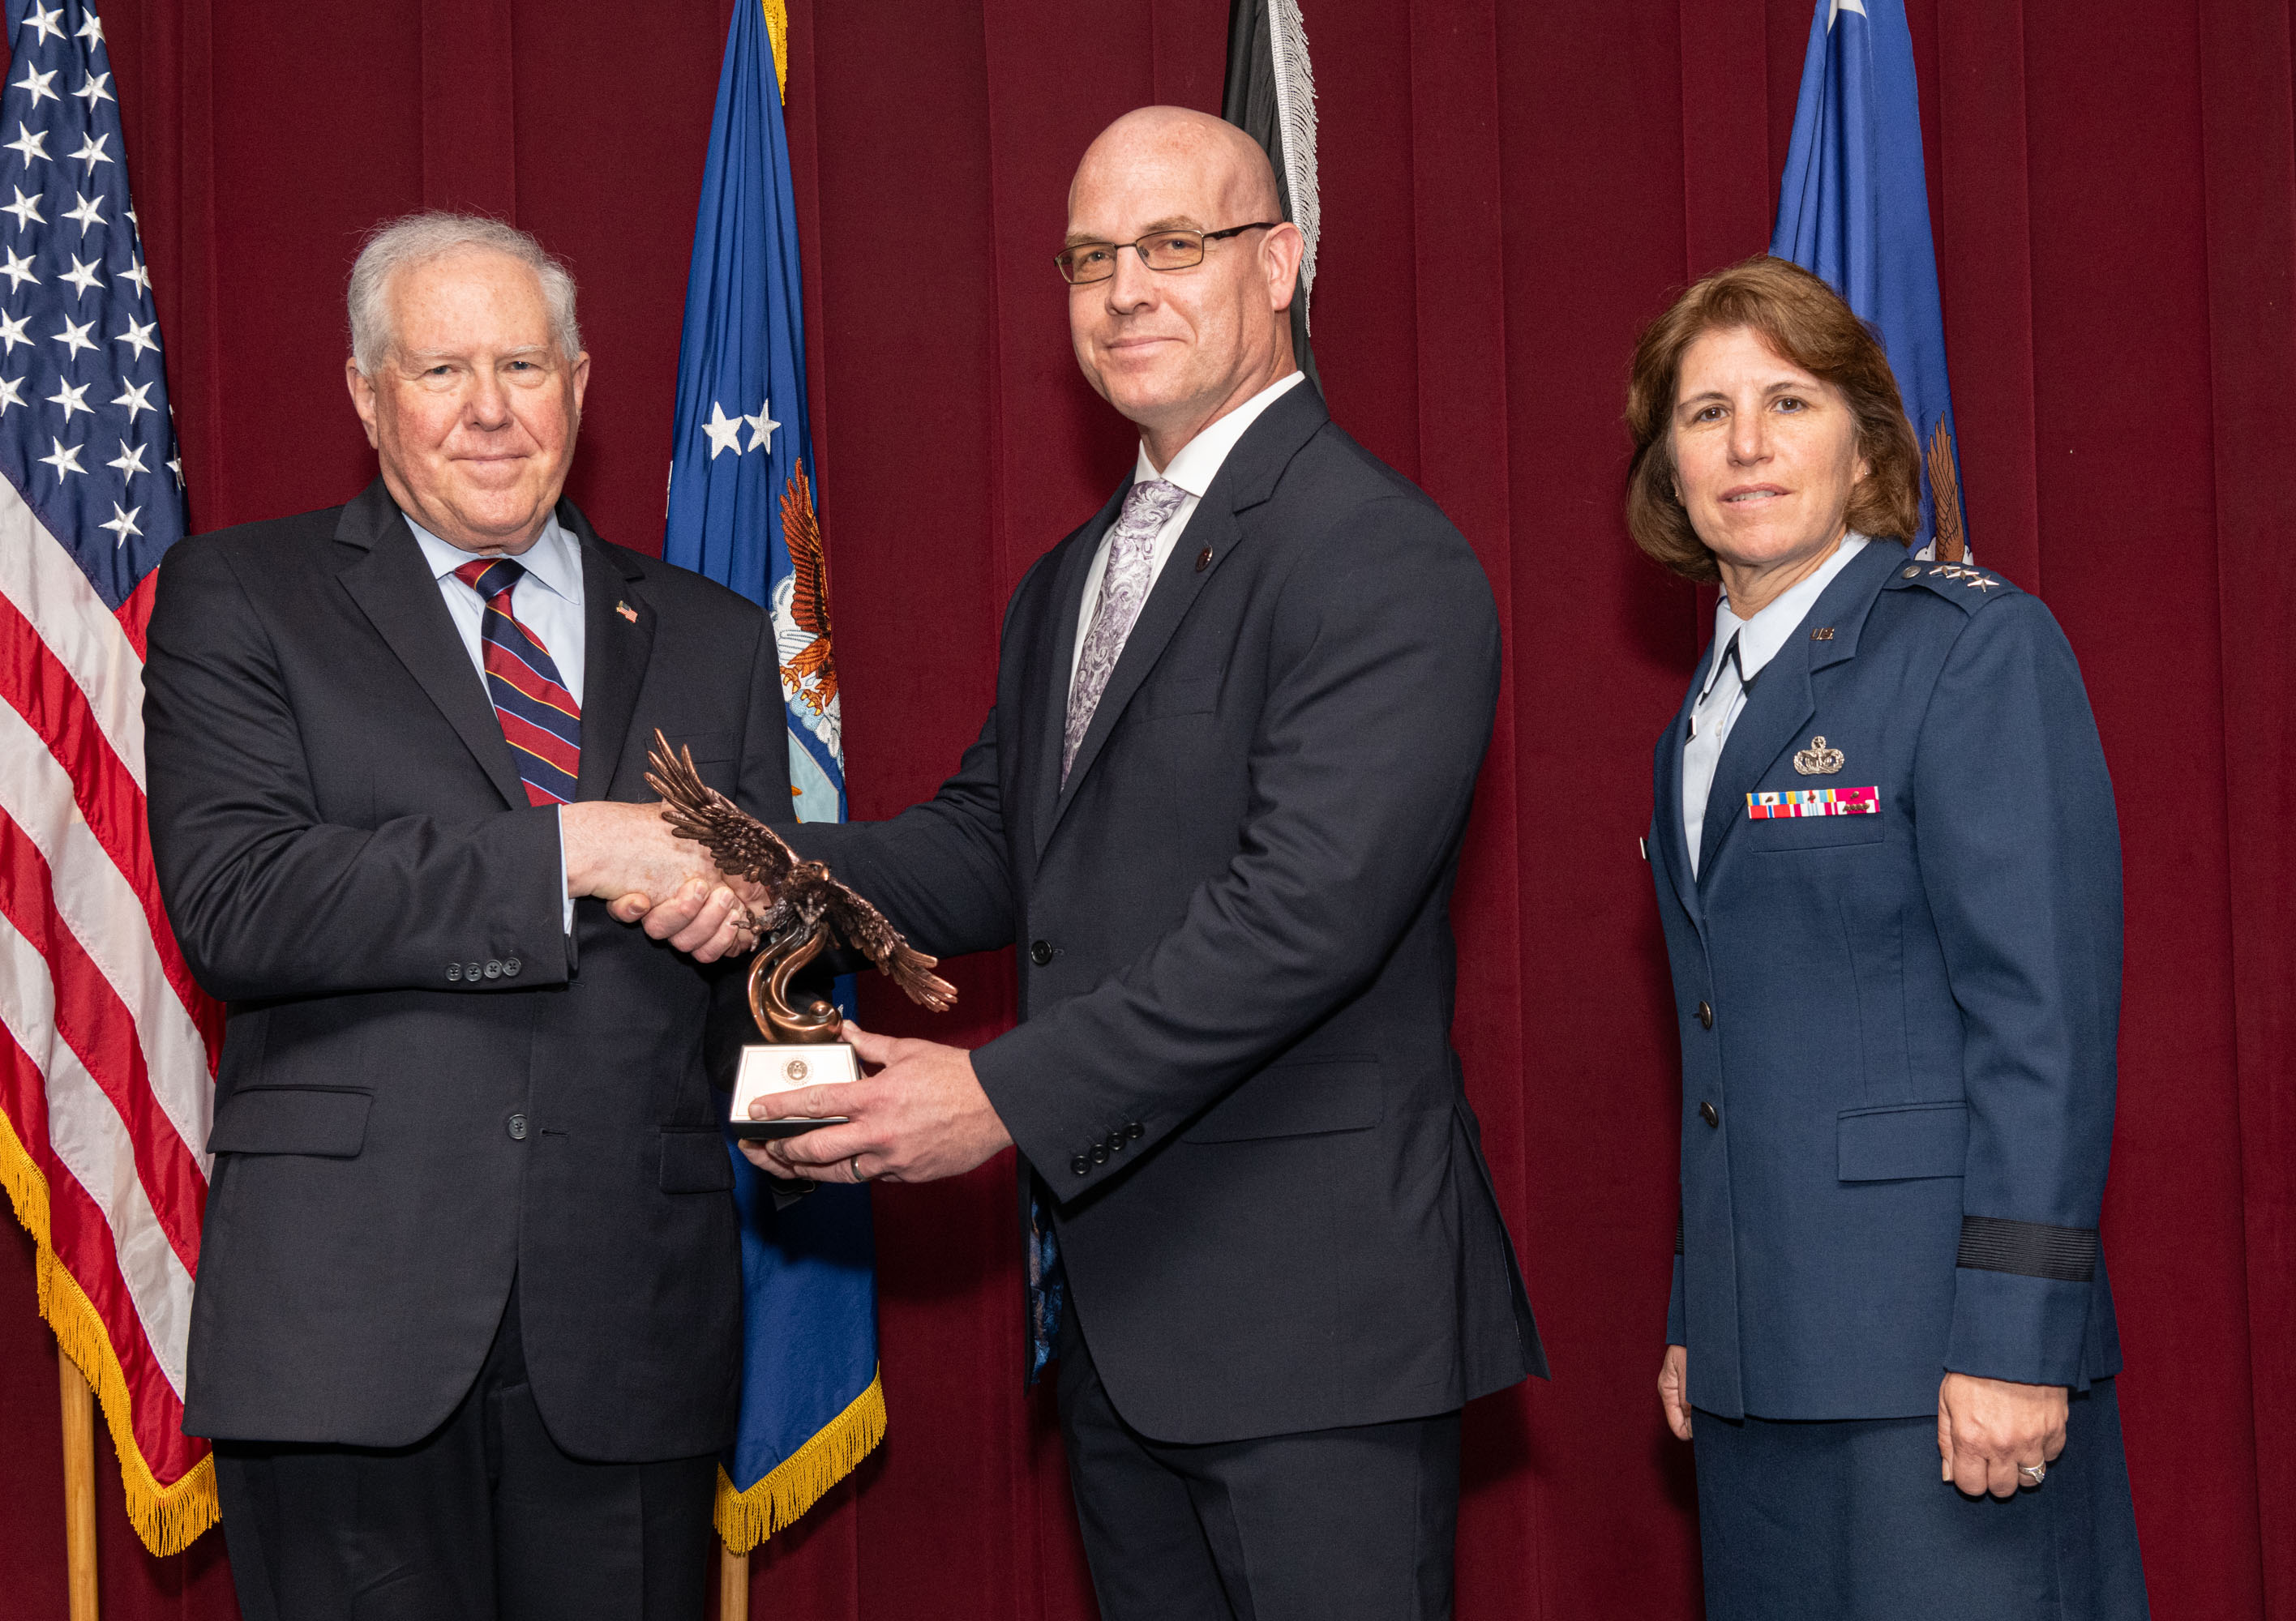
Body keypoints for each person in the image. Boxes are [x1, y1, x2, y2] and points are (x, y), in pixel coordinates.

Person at [731, 107, 1544, 1619]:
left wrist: (992, 1097)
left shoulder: (1377, 555)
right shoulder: (1075, 574)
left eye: (1176, 246)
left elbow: (1300, 921)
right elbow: (987, 851)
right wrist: (741, 862)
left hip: (1317, 1333)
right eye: (1090, 257)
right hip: (1119, 1318)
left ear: (1280, 262)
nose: (1125, 291)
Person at [144, 212, 771, 1621]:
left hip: (628, 1332)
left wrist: (783, 984)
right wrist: (569, 852)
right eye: (441, 372)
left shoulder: (714, 634)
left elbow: (752, 984)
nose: (491, 411)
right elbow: (241, 903)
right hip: (349, 1331)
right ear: (367, 395)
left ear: (582, 386)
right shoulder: (242, 597)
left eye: (524, 366)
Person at [1629, 255, 2148, 1619]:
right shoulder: (1701, 716)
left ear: (1863, 440)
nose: (1746, 444)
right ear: (1666, 465)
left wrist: (2018, 1344)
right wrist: (1704, 1317)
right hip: (1762, 1373)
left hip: (1942, 1373)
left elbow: (2043, 1023)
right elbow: (1727, 1058)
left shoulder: (1970, 651)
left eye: (1787, 402)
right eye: (1705, 412)